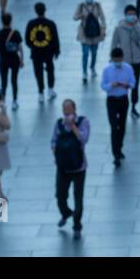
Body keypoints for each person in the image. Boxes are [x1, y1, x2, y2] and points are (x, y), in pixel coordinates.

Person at [52, 100, 90, 238]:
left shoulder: (83, 121)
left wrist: (72, 125)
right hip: (62, 167)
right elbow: (53, 140)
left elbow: (84, 139)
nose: (66, 111)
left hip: (79, 167)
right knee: (60, 195)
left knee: (78, 197)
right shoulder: (58, 123)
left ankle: (77, 225)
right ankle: (66, 212)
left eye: (68, 108)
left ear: (74, 109)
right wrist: (55, 153)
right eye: (64, 108)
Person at [111, 6, 140, 119]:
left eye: (133, 14)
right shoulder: (119, 28)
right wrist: (113, 57)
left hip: (136, 60)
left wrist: (137, 26)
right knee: (123, 85)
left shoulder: (139, 26)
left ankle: (133, 107)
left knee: (135, 85)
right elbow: (114, 43)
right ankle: (122, 106)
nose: (131, 16)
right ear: (125, 14)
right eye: (129, 14)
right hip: (124, 61)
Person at [101, 47, 135, 167]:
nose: (118, 61)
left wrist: (127, 85)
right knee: (114, 127)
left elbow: (133, 83)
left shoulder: (128, 68)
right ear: (112, 59)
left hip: (123, 99)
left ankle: (119, 147)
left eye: (119, 59)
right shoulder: (107, 70)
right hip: (112, 100)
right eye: (115, 59)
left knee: (122, 126)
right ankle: (115, 154)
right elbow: (103, 86)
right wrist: (111, 85)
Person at [25, 2, 60, 102]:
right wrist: (56, 50)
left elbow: (27, 38)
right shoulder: (50, 23)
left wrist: (33, 46)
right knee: (50, 70)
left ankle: (41, 92)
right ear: (45, 10)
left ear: (35, 11)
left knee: (38, 72)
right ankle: (50, 89)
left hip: (36, 52)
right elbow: (55, 38)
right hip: (48, 52)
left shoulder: (31, 23)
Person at [75, 0, 108, 82]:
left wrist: (103, 28)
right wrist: (80, 15)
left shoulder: (97, 5)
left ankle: (92, 67)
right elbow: (74, 17)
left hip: (95, 32)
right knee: (85, 54)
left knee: (94, 53)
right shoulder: (81, 6)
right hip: (84, 33)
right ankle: (84, 72)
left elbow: (102, 17)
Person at [0, 12, 25, 109]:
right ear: (11, 21)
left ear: (1, 21)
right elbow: (20, 48)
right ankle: (14, 101)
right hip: (14, 59)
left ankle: (3, 101)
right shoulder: (15, 33)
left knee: (3, 81)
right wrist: (22, 60)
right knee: (14, 80)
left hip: (3, 59)